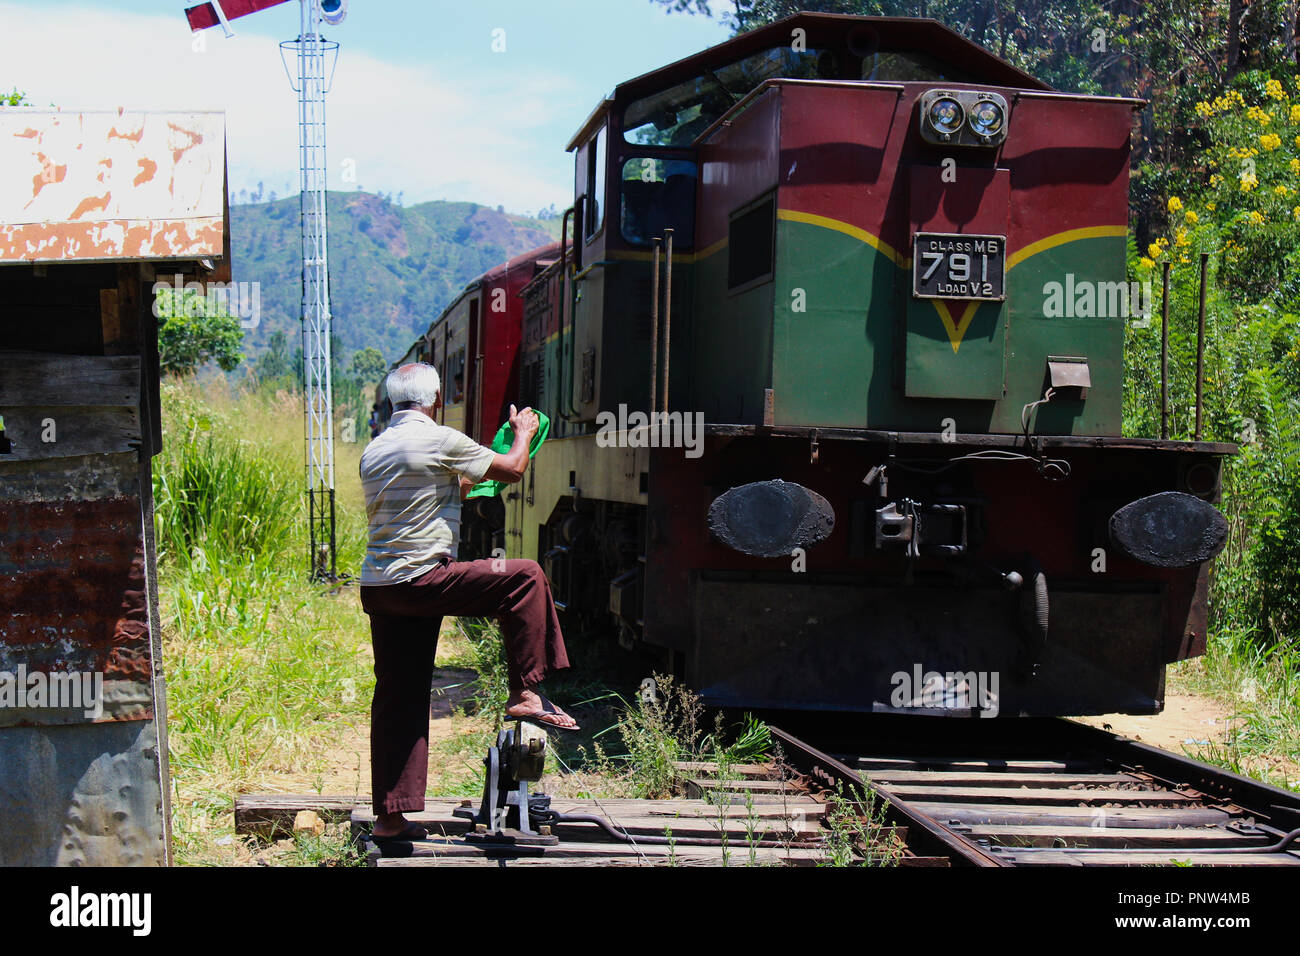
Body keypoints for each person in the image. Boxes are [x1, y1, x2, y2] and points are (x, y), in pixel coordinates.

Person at [358, 362, 575, 841]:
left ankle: (390, 820)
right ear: (434, 398)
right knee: (524, 577)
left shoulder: (375, 450)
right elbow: (515, 469)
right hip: (422, 580)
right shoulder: (439, 437)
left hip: (381, 587)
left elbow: (444, 486)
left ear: (394, 400)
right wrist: (521, 432)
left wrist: (479, 473)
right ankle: (526, 692)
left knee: (399, 696)